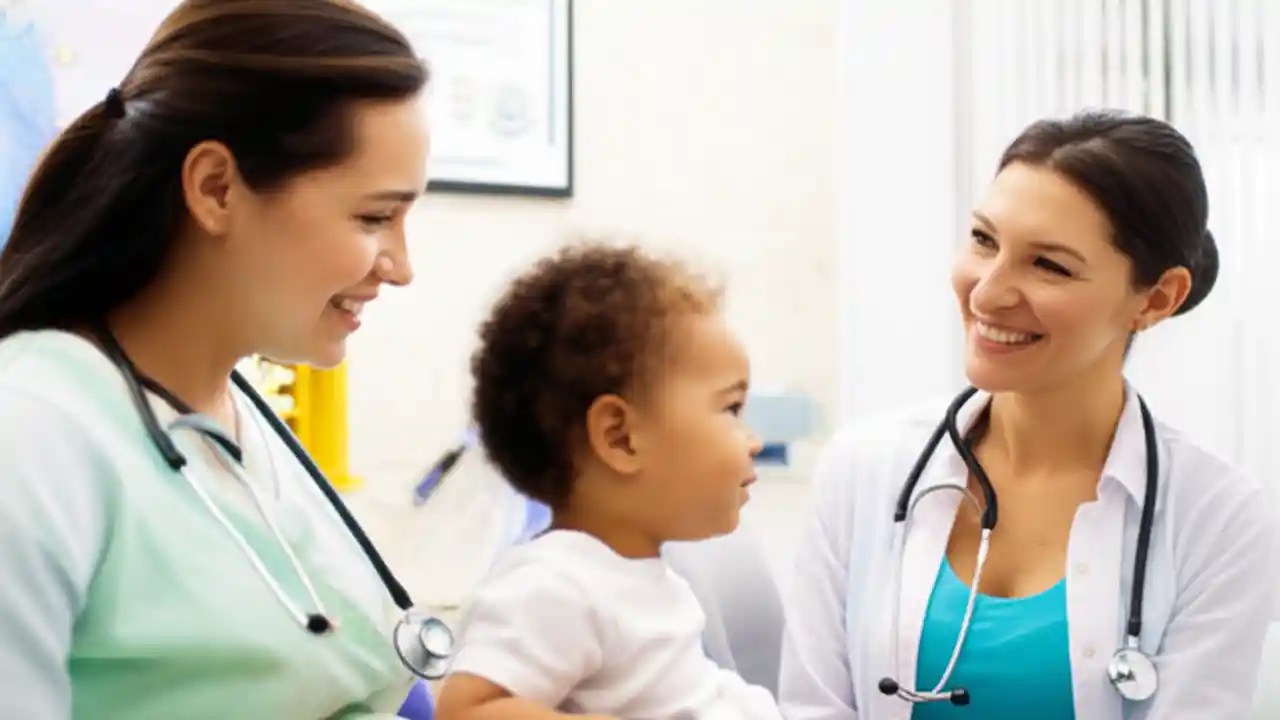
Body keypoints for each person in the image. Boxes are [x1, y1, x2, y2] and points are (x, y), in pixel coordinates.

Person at [0, 1, 433, 717]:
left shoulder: (242, 417)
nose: (401, 267)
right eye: (374, 217)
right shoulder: (33, 433)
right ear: (215, 188)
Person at [778, 109, 1280, 720]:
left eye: (1049, 265)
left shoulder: (1218, 519)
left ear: (1155, 298)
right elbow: (812, 708)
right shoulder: (864, 468)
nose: (987, 293)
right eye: (984, 240)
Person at [435, 243, 782, 720]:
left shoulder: (642, 580)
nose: (753, 440)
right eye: (730, 409)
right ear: (621, 437)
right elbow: (467, 712)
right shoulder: (557, 583)